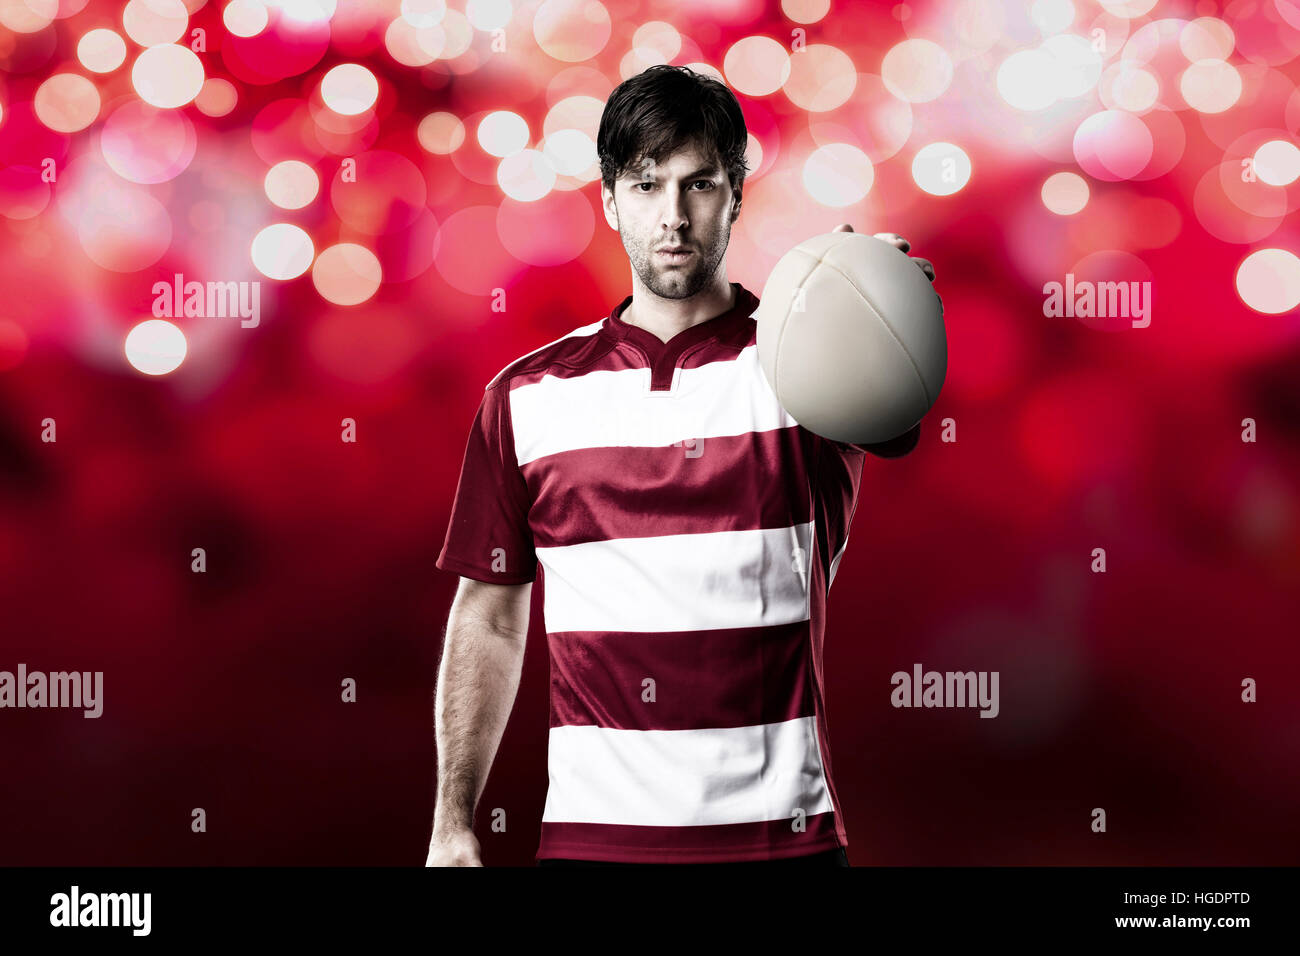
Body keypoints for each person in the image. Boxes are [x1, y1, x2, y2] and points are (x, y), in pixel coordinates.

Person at [426, 65, 936, 867]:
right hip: (593, 851)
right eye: (645, 185)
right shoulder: (525, 395)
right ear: (608, 199)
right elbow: (488, 615)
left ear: (735, 193)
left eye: (698, 184)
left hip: (781, 850)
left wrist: (887, 302)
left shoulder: (807, 367)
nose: (672, 217)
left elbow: (899, 404)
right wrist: (454, 821)